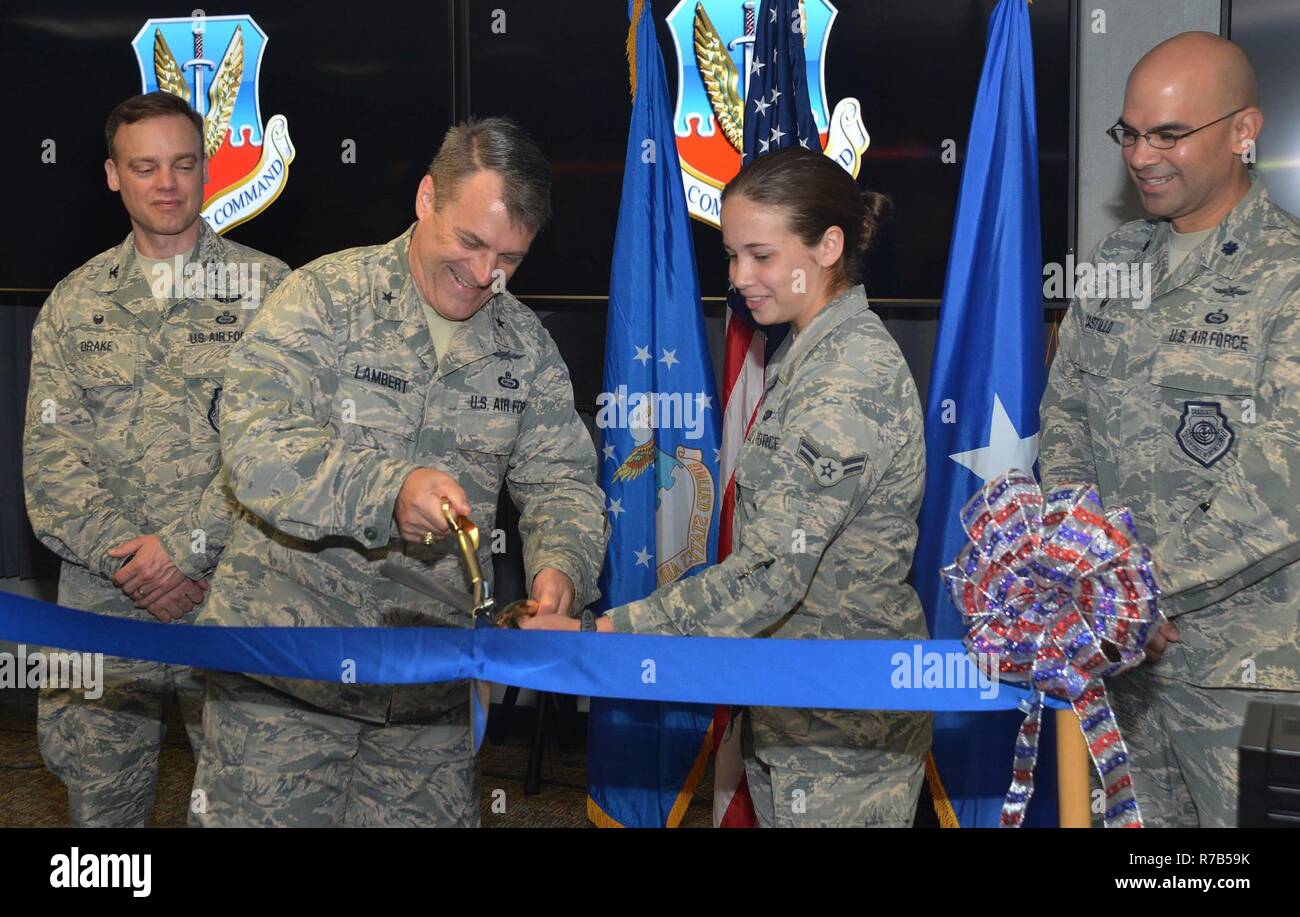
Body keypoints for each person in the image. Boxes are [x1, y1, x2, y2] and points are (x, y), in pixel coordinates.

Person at [188, 117, 608, 827]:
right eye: (470, 243)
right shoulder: (323, 297)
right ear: (425, 199)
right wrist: (389, 490)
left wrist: (558, 573)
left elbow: (561, 482)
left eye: (508, 256)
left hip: (425, 694)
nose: (483, 275)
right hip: (287, 676)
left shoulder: (525, 347)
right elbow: (257, 447)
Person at [523, 146, 932, 827]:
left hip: (844, 723)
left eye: (761, 255)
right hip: (795, 701)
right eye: (731, 255)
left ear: (829, 245)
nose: (739, 277)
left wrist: (608, 631)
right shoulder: (807, 352)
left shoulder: (847, 375)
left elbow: (771, 572)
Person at [1039, 31, 1300, 827]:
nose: (1142, 155)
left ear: (1243, 131)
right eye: (1130, 133)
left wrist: (1139, 592)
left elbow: (1281, 482)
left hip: (1245, 677)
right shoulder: (1116, 262)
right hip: (1121, 668)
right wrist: (1094, 578)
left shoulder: (1287, 277)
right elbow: (1065, 424)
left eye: (1169, 134)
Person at [23, 90, 289, 826]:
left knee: (250, 805)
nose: (166, 183)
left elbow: (286, 452)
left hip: (234, 596)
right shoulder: (73, 305)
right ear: (114, 175)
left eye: (182, 164)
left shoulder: (277, 293)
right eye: (145, 167)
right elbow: (53, 464)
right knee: (100, 816)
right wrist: (136, 567)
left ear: (208, 169)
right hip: (106, 611)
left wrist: (184, 551)